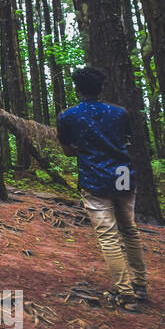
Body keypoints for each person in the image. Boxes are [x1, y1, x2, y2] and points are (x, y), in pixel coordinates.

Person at [56, 66, 147, 309]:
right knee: (129, 229)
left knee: (108, 235)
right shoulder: (119, 113)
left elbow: (67, 150)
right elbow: (127, 141)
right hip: (122, 173)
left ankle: (126, 292)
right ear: (101, 87)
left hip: (94, 176)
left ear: (77, 89)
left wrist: (86, 149)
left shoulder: (68, 116)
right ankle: (139, 284)